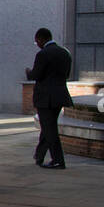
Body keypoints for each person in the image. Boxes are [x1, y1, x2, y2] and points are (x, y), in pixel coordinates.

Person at [24, 26, 73, 169]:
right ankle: (39, 155)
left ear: (40, 39)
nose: (37, 45)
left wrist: (28, 72)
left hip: (45, 98)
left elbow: (36, 75)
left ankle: (58, 160)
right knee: (48, 127)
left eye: (36, 42)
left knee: (50, 129)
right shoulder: (65, 52)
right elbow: (67, 75)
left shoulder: (43, 54)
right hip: (60, 96)